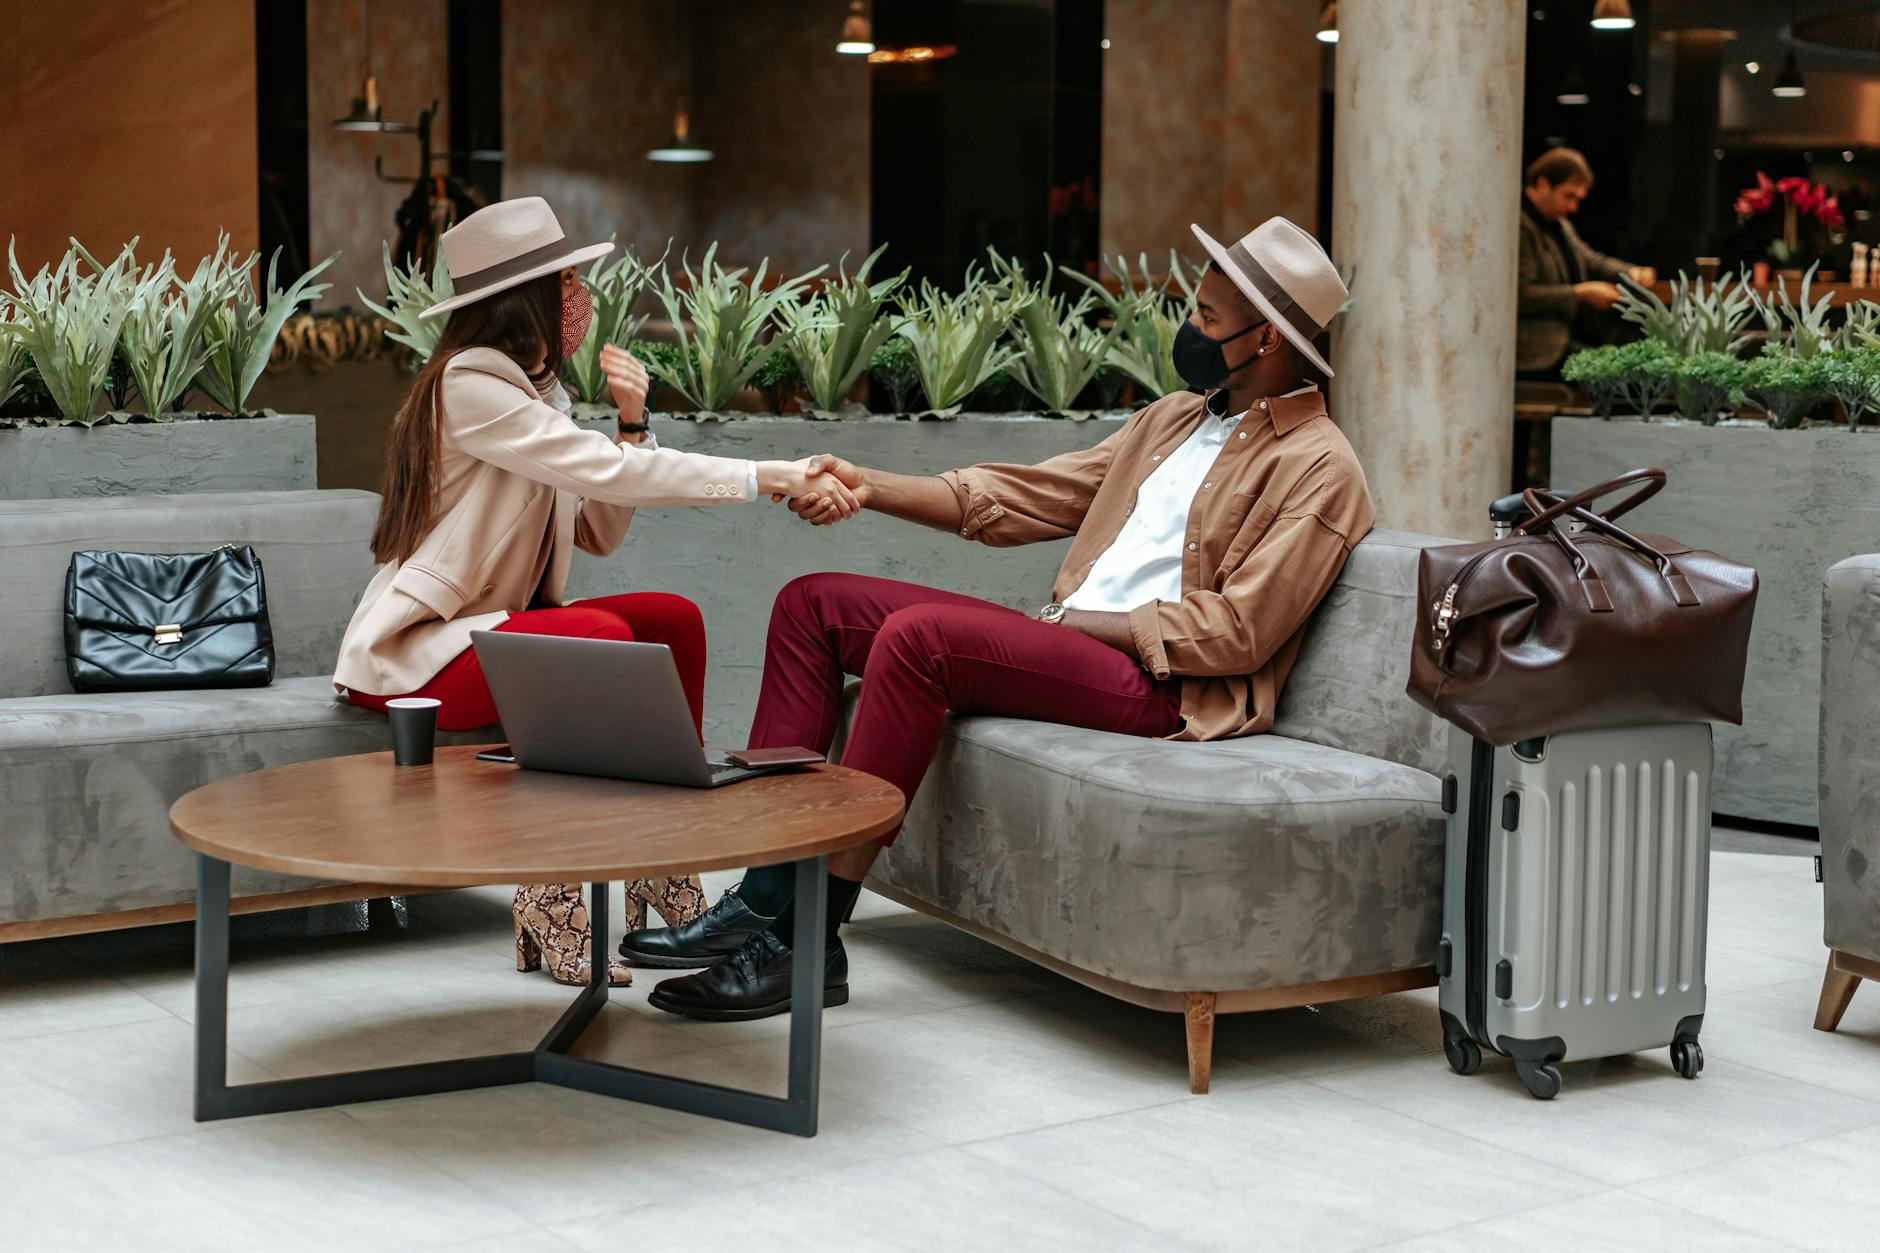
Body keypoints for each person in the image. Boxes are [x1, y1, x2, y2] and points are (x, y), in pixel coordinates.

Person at [623, 217, 1375, 1021]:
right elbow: (1022, 496)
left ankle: (811, 938)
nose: (1189, 327)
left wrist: (1086, 625)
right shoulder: (1174, 420)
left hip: (1163, 688)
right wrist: (870, 484)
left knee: (920, 641)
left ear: (1265, 340)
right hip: (1076, 640)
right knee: (814, 605)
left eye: (1208, 319)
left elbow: (1237, 631)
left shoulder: (1322, 468)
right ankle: (768, 893)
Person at [333, 196, 859, 986]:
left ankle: (659, 857)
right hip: (423, 655)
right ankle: (553, 883)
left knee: (670, 622)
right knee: (599, 645)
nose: (580, 296)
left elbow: (600, 530)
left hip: (504, 630)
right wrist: (767, 474)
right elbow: (603, 475)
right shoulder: (469, 388)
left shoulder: (534, 397)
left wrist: (634, 420)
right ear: (526, 300)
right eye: (567, 281)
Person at [1518, 147, 1657, 375]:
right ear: (1543, 184)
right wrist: (1580, 293)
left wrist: (1630, 272)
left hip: (1570, 336)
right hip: (1538, 347)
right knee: (1626, 377)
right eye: (1569, 196)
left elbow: (1591, 260)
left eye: (1578, 199)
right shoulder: (1519, 224)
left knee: (1640, 364)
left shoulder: (1559, 224)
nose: (1573, 207)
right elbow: (1521, 295)